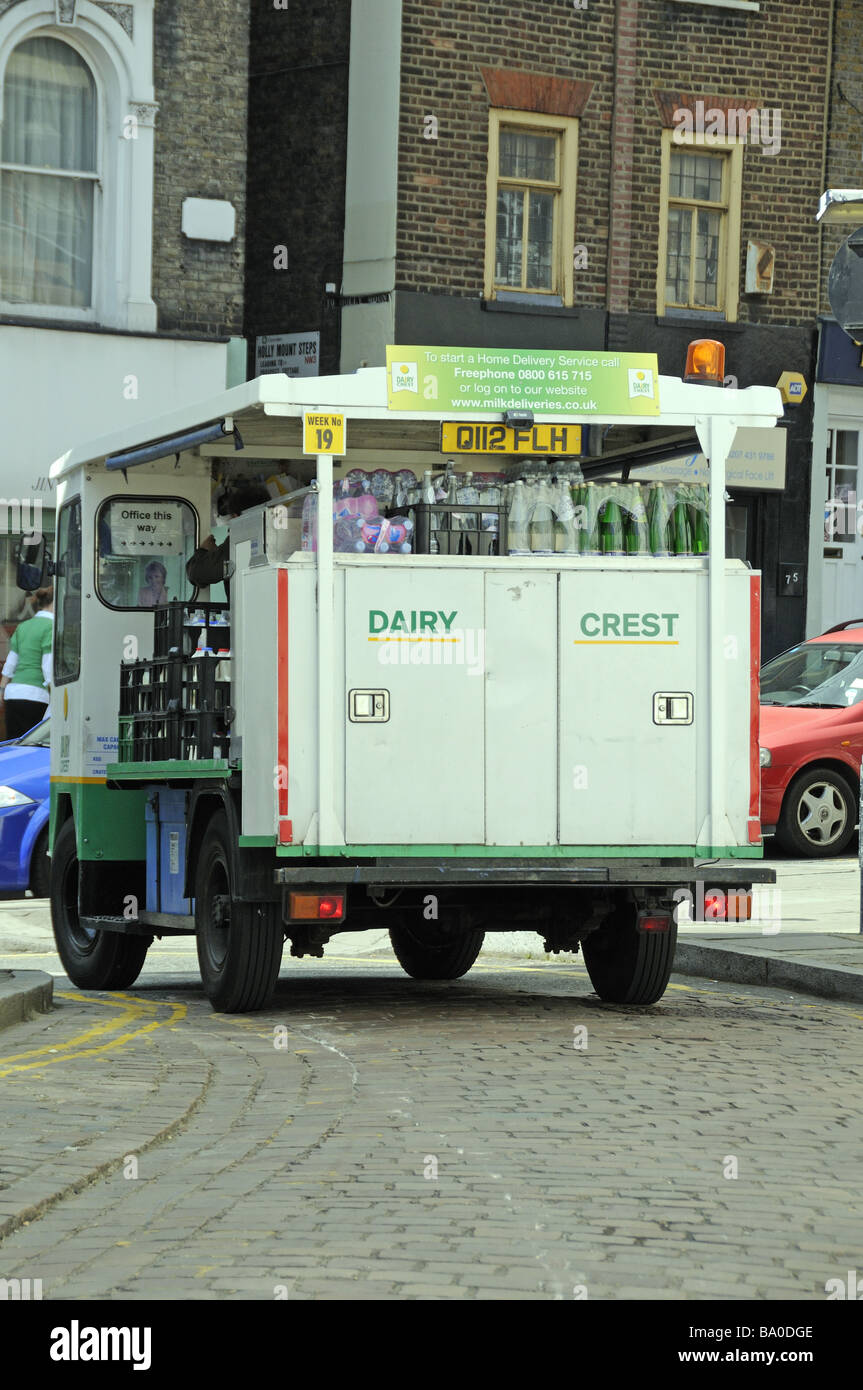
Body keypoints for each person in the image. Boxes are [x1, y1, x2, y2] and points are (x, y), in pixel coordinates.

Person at [186, 480, 270, 603]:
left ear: (236, 517)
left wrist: (204, 550)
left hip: (247, 615)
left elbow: (197, 573)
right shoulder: (273, 534)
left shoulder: (238, 543)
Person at [0, 587, 53, 738]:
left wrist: (2, 691)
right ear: (54, 603)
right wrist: (55, 695)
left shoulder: (23, 626)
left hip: (13, 695)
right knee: (35, 746)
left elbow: (11, 663)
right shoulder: (52, 627)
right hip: (37, 696)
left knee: (14, 744)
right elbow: (47, 667)